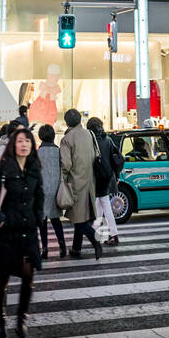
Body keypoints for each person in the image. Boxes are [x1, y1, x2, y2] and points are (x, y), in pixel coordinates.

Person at [0, 127, 45, 338]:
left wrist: (38, 216)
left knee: (28, 277)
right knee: (3, 279)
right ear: (13, 145)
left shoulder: (35, 167)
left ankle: (21, 323)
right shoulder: (4, 168)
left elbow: (39, 194)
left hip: (28, 231)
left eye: (27, 141)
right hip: (7, 231)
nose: (24, 144)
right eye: (20, 141)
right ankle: (1, 323)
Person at [59, 108, 103, 260]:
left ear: (67, 122)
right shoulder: (90, 134)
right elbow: (97, 155)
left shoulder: (67, 139)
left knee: (79, 219)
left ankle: (95, 239)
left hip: (75, 184)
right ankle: (76, 249)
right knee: (82, 217)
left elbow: (66, 165)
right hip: (90, 182)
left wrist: (61, 181)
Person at [87, 116, 122, 246]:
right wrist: (117, 175)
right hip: (109, 177)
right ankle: (95, 231)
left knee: (105, 205)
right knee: (101, 204)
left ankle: (114, 234)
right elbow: (117, 158)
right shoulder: (108, 139)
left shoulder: (91, 141)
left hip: (98, 178)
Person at [36, 123, 66, 260]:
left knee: (42, 222)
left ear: (41, 137)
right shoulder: (58, 151)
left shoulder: (37, 153)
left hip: (42, 191)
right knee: (56, 220)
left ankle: (45, 249)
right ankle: (62, 245)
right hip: (55, 190)